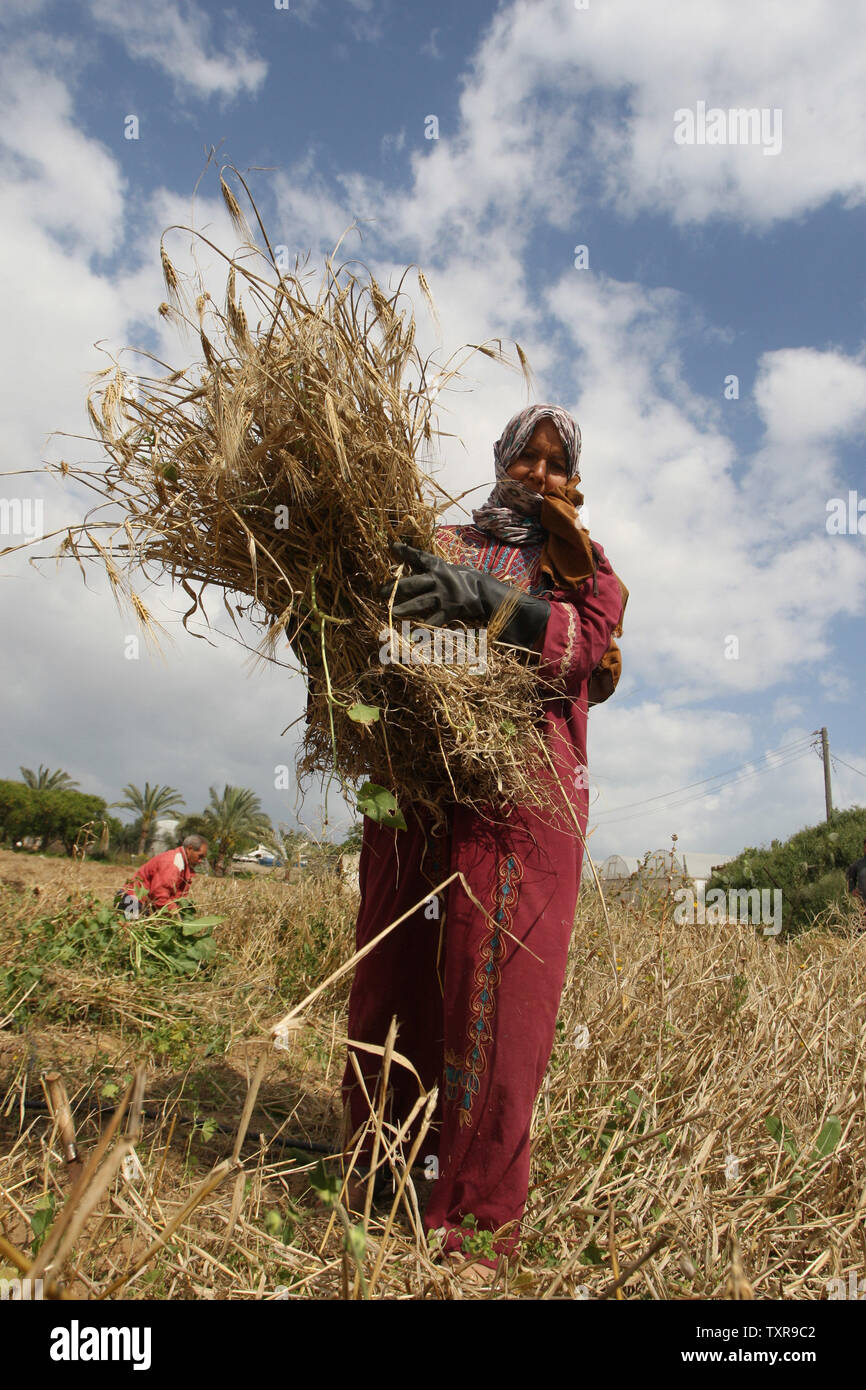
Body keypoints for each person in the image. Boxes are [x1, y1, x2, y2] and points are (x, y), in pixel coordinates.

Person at [340, 404, 625, 1281]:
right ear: (499, 460)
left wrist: (495, 607)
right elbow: (385, 637)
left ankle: (473, 1220)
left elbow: (587, 651)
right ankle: (380, 1176)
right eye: (524, 456)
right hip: (422, 791)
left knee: (497, 991)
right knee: (395, 971)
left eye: (554, 461)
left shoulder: (583, 562)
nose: (536, 472)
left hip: (523, 802)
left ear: (570, 474)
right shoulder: (440, 540)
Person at [116, 834, 209, 919]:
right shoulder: (173, 864)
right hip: (132, 900)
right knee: (128, 932)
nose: (200, 861)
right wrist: (176, 915)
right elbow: (159, 894)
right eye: (200, 856)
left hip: (145, 903)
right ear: (189, 849)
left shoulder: (182, 865)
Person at [845, 839, 866, 922]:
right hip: (862, 902)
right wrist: (852, 889)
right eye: (865, 847)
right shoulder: (858, 864)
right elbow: (849, 875)